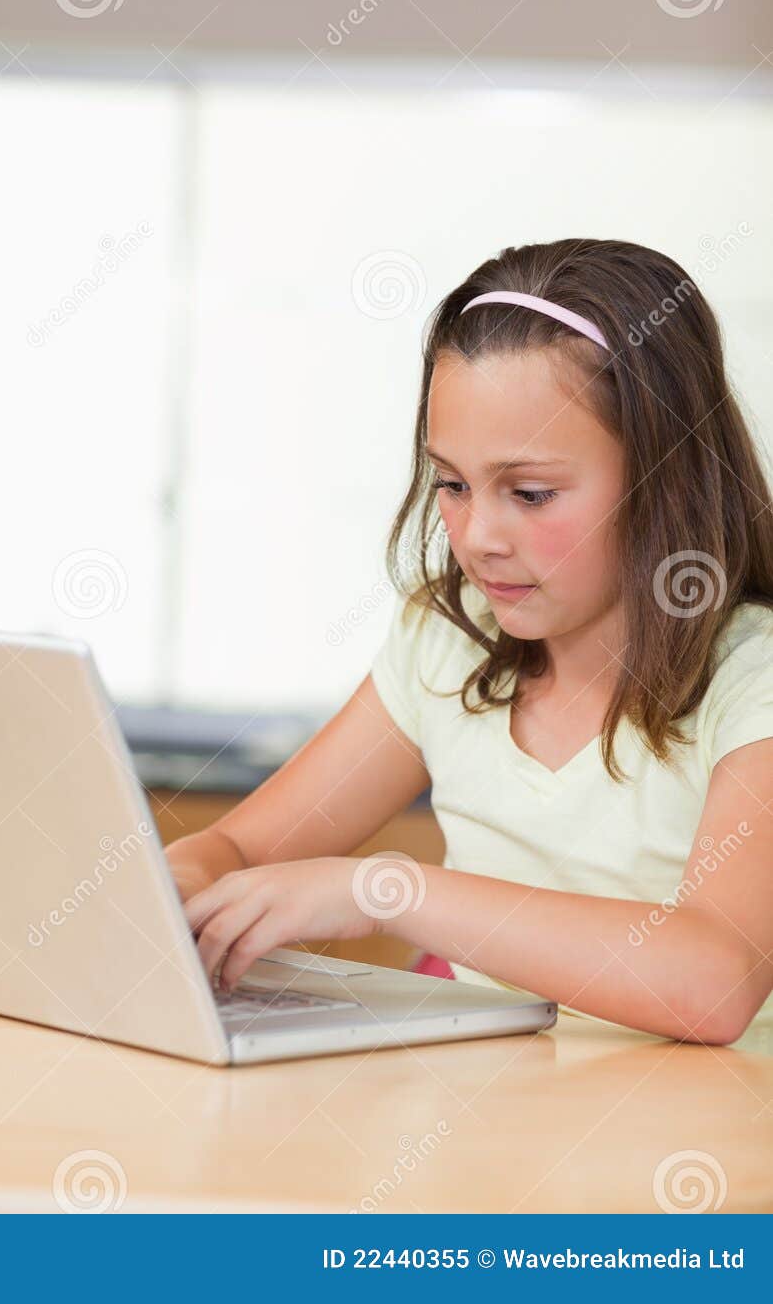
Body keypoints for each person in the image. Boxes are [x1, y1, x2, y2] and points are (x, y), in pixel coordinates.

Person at [166, 238, 773, 1045]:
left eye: (528, 493)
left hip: (679, 1151)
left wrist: (385, 891)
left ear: (666, 480)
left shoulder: (751, 679)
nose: (478, 535)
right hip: (481, 1130)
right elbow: (240, 844)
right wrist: (182, 882)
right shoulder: (444, 642)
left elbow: (713, 980)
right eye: (451, 484)